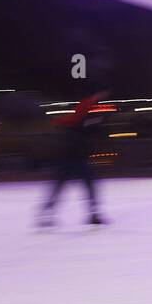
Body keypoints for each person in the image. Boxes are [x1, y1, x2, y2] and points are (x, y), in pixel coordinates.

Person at [36, 89, 110, 227]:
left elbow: (85, 121)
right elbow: (85, 114)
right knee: (85, 186)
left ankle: (47, 214)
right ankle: (93, 214)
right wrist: (95, 99)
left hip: (71, 158)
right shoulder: (79, 120)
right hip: (74, 158)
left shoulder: (75, 122)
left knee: (61, 187)